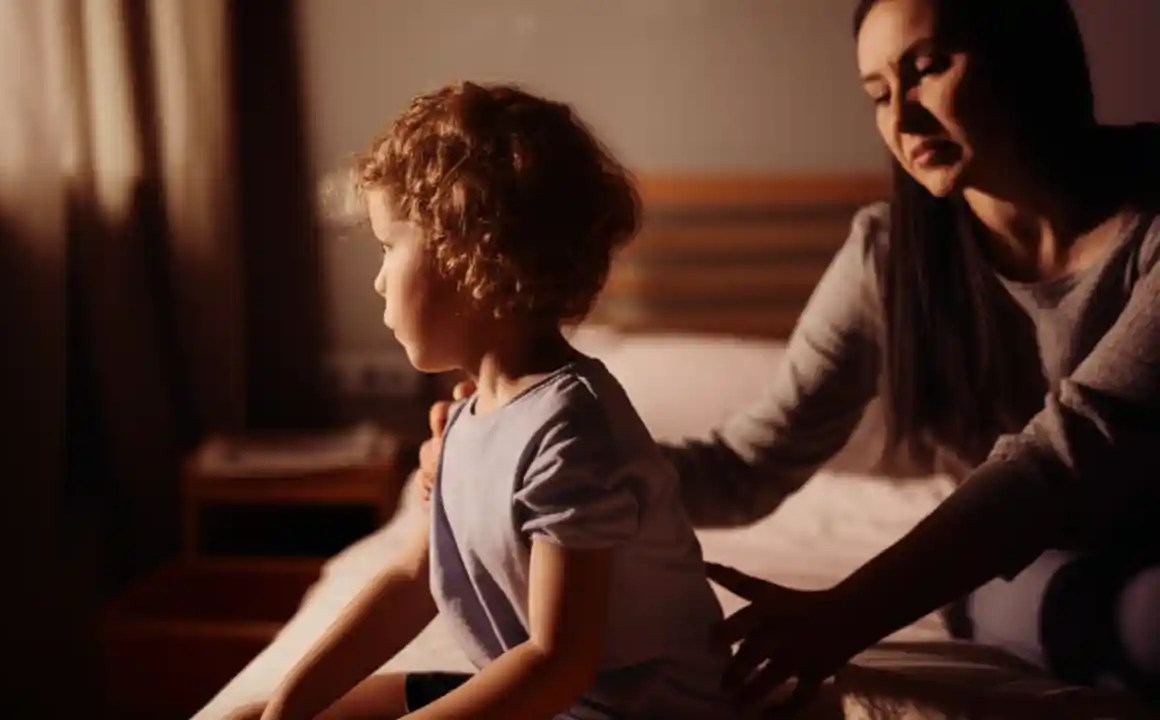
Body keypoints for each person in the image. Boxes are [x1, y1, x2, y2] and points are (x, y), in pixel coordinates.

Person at [416, 0, 1160, 715]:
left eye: (927, 68)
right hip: (1010, 566)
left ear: (1022, 48)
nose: (900, 118)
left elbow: (1068, 453)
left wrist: (848, 613)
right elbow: (750, 464)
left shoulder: (1148, 232)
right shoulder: (891, 260)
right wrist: (544, 461)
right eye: (877, 93)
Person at [239, 82, 734, 720]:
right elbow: (409, 580)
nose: (378, 278)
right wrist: (290, 704)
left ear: (472, 256)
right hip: (550, 699)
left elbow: (556, 663)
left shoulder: (570, 432)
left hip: (623, 711)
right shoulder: (469, 414)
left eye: (391, 246)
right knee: (250, 716)